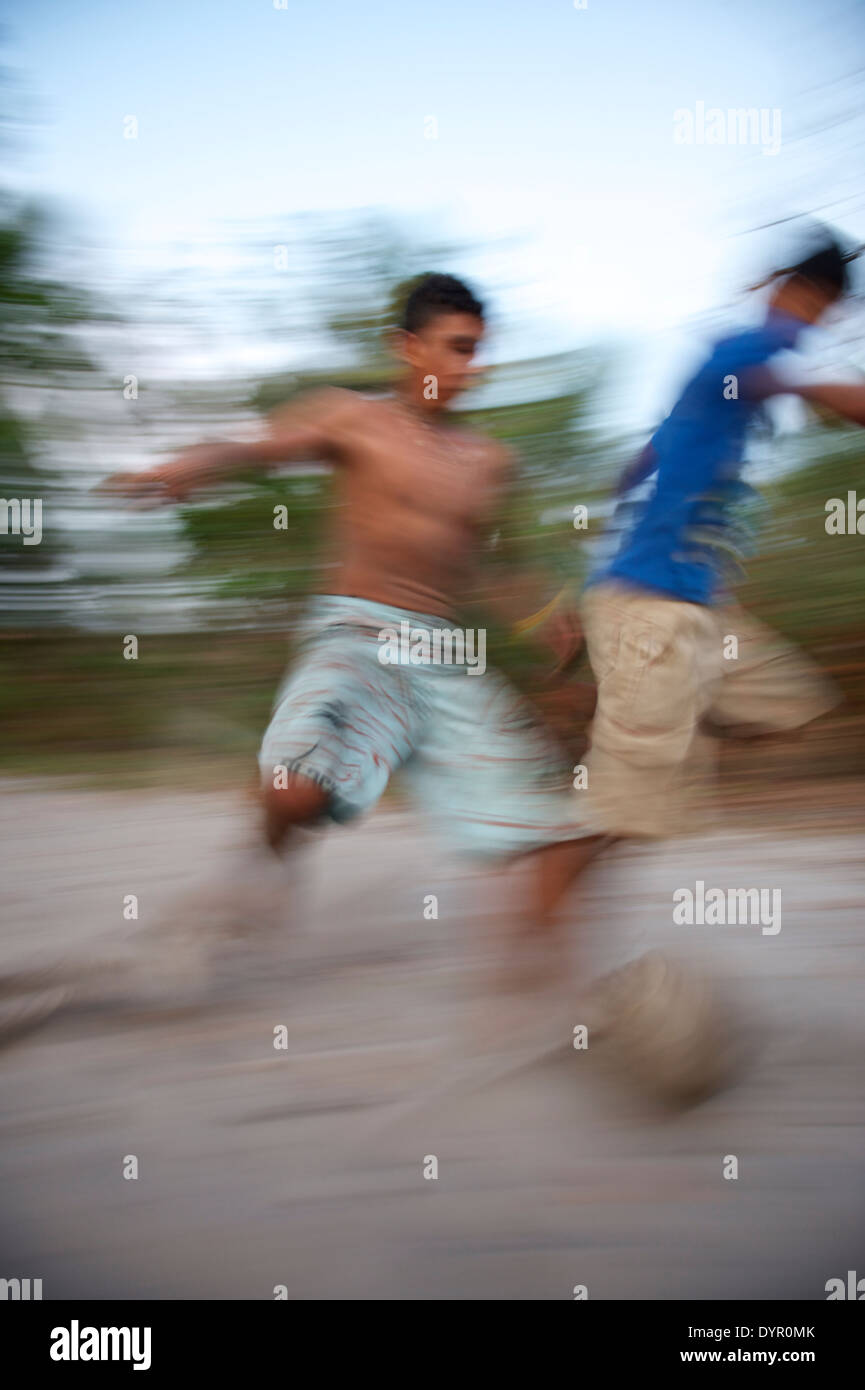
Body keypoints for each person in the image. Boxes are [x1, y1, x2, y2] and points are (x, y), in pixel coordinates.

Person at [579, 228, 865, 843]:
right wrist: (824, 392)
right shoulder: (749, 349)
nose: (816, 324)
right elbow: (780, 384)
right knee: (622, 814)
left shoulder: (725, 365)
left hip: (694, 603)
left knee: (790, 707)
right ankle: (538, 922)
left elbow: (644, 458)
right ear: (798, 292)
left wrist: (623, 498)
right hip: (651, 602)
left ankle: (667, 724)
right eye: (820, 308)